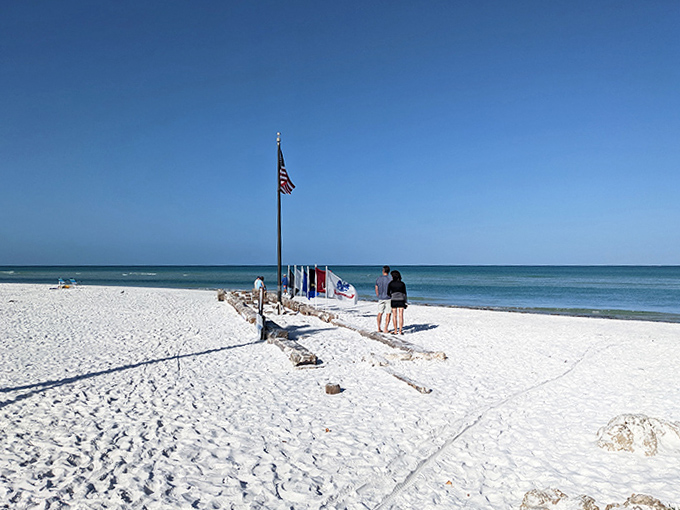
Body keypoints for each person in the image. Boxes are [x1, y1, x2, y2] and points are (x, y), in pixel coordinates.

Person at [387, 270, 407, 335]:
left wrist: (392, 295)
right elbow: (404, 293)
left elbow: (388, 293)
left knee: (394, 316)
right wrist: (405, 302)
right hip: (401, 299)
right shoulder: (402, 284)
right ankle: (400, 331)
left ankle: (395, 330)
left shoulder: (390, 284)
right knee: (401, 315)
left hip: (394, 300)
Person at [375, 265, 392, 333]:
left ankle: (379, 327)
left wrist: (378, 295)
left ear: (383, 271)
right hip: (388, 297)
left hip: (381, 297)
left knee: (380, 313)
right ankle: (385, 328)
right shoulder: (390, 279)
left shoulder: (378, 279)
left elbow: (376, 288)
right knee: (388, 313)